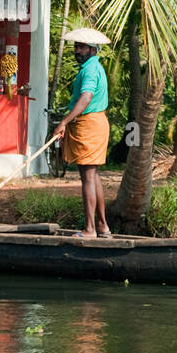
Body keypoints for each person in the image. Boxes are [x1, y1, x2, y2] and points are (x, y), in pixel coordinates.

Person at [53, 28, 112, 238]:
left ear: (93, 49)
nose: (77, 50)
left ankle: (90, 229)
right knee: (92, 175)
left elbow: (86, 97)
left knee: (88, 176)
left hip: (90, 124)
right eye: (76, 46)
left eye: (82, 47)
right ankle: (103, 227)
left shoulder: (90, 69)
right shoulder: (92, 67)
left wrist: (64, 122)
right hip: (92, 124)